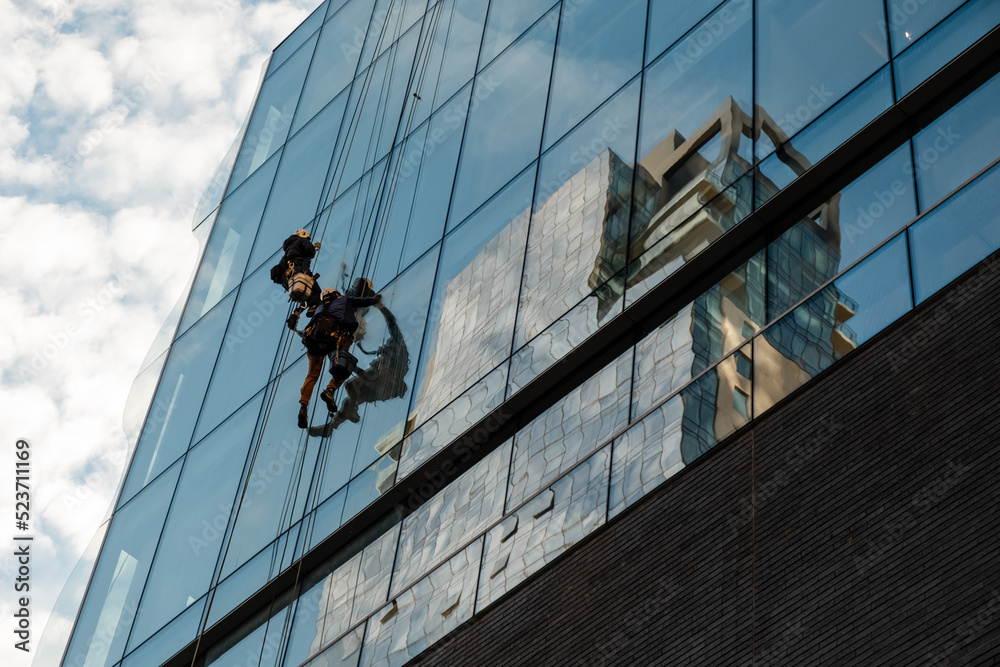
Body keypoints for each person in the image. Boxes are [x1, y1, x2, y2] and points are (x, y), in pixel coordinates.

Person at [297, 287, 381, 428]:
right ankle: (330, 390)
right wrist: (375, 299)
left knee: (312, 375)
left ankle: (303, 406)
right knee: (343, 366)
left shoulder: (320, 308)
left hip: (313, 341)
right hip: (334, 338)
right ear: (336, 294)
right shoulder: (343, 299)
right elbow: (364, 301)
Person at [270, 229, 322, 330]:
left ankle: (295, 315)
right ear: (304, 235)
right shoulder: (301, 241)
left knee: (306, 296)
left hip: (288, 280)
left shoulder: (286, 253)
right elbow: (309, 250)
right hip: (299, 271)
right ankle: (314, 306)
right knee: (317, 292)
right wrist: (313, 249)